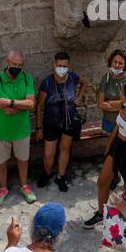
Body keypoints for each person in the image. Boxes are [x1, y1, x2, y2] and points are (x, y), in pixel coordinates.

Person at [85, 79, 126, 229]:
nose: (121, 94)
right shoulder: (124, 105)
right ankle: (101, 213)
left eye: (123, 93)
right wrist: (108, 148)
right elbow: (117, 127)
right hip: (117, 146)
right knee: (102, 181)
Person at [0, 49, 36, 207]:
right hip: (1, 129)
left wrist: (11, 102)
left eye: (20, 65)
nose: (16, 67)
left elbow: (31, 104)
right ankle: (3, 188)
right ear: (7, 62)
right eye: (14, 64)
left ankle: (24, 186)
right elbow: (7, 111)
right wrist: (21, 105)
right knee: (1, 162)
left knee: (23, 160)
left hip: (21, 129)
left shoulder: (26, 78)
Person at [34, 51, 83, 193]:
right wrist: (38, 127)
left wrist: (79, 97)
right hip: (50, 122)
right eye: (59, 65)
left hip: (69, 120)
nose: (62, 68)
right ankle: (48, 173)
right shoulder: (47, 83)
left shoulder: (73, 78)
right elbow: (39, 106)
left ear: (68, 66)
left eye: (64, 66)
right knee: (48, 154)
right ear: (54, 64)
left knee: (65, 149)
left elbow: (84, 82)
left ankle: (61, 177)